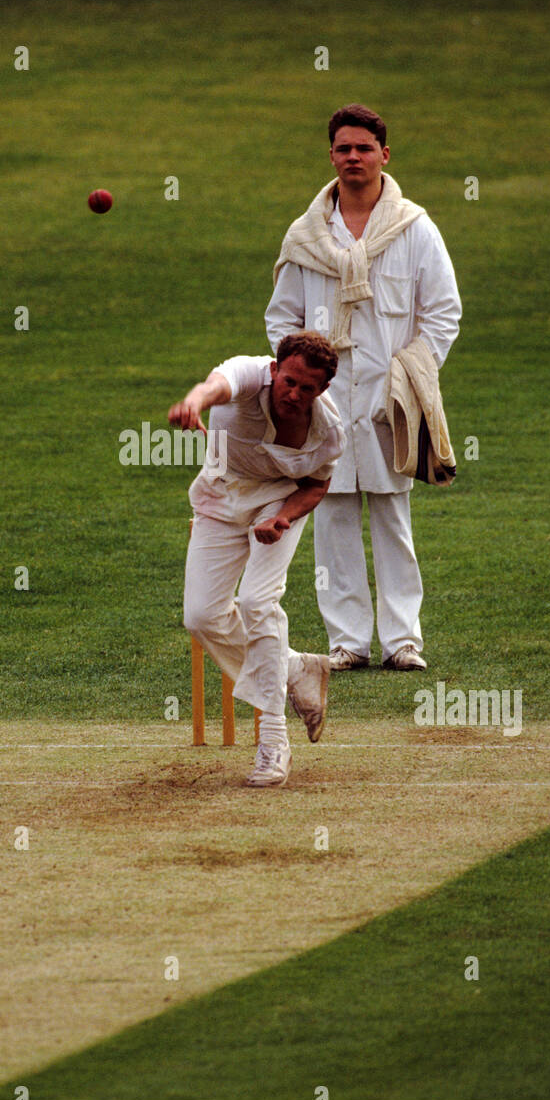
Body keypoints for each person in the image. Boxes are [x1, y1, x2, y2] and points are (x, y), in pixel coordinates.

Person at [265, 104, 461, 672]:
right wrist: (301, 385)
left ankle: (403, 641)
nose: (354, 157)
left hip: (390, 397)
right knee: (332, 517)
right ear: (331, 155)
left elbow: (443, 313)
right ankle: (347, 642)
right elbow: (282, 320)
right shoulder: (306, 235)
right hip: (325, 400)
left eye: (364, 148)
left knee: (393, 517)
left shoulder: (415, 228)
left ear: (384, 154)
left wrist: (414, 377)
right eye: (343, 148)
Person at [168, 331, 344, 787]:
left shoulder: (329, 431)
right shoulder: (250, 372)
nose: (294, 393)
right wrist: (193, 402)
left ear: (322, 389)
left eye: (308, 388)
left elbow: (316, 487)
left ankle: (273, 742)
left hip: (277, 505)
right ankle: (292, 667)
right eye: (289, 381)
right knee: (201, 616)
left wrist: (283, 518)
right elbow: (214, 386)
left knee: (257, 602)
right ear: (273, 371)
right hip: (221, 497)